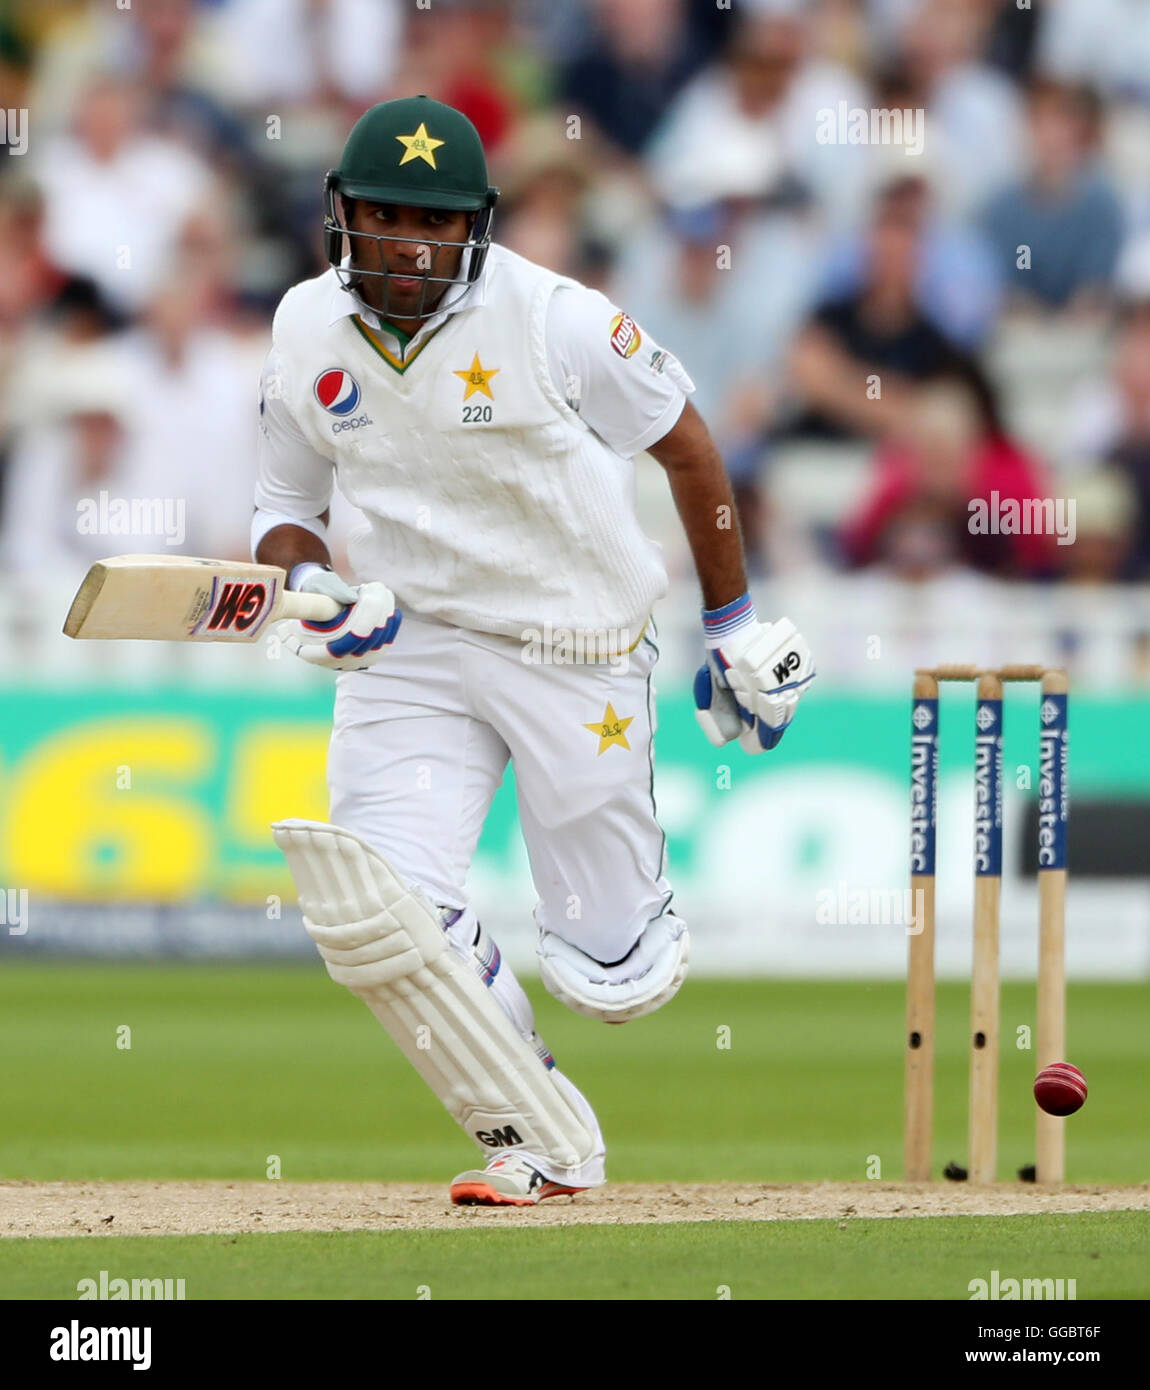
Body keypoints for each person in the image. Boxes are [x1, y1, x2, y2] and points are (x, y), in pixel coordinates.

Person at [251, 97, 815, 1206]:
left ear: (478, 226)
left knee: (617, 976)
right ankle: (540, 1139)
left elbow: (690, 449)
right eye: (383, 214)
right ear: (340, 212)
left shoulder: (555, 318)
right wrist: (309, 585)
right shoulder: (303, 326)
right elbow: (284, 502)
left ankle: (607, 945)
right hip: (414, 642)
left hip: (578, 640)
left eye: (433, 218)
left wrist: (730, 625)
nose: (407, 241)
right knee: (377, 911)